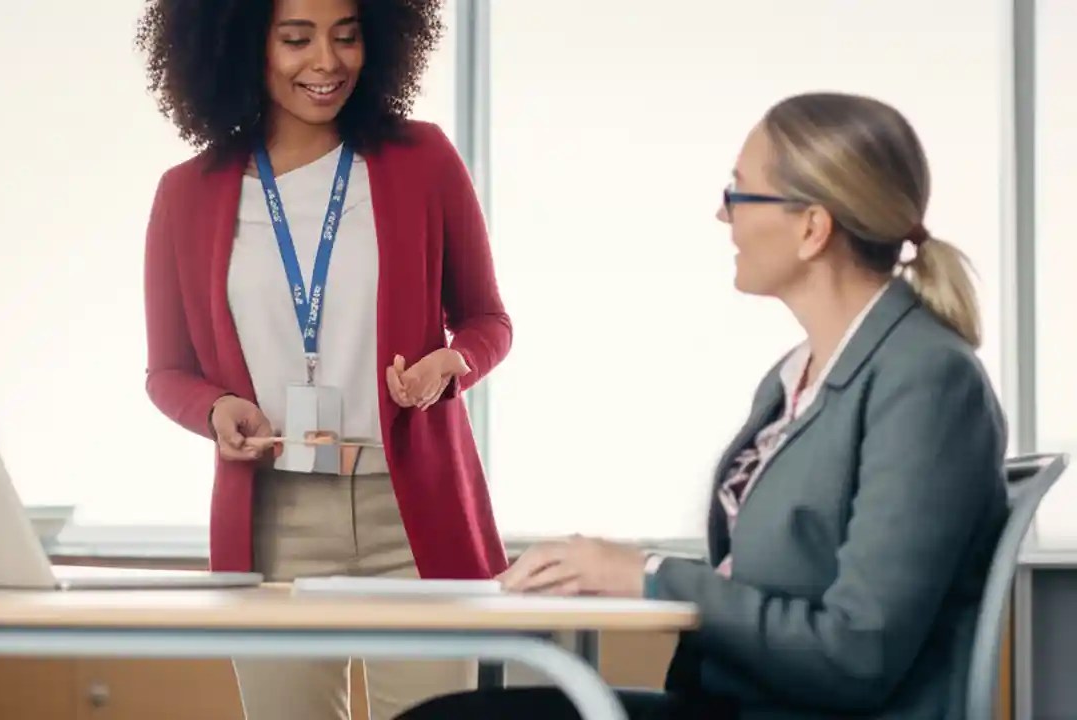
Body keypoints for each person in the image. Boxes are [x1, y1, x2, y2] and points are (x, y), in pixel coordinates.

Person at [401, 92, 1009, 720]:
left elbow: (856, 653)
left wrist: (648, 575)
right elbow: (766, 577)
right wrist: (611, 570)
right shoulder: (796, 376)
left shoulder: (927, 381)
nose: (724, 214)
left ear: (812, 228)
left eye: (739, 192)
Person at [136, 0, 511, 717]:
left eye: (347, 36)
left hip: (411, 510)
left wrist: (451, 365)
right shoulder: (187, 194)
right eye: (296, 39)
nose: (327, 62)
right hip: (275, 520)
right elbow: (167, 371)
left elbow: (487, 320)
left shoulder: (422, 160)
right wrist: (215, 409)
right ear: (246, 45)